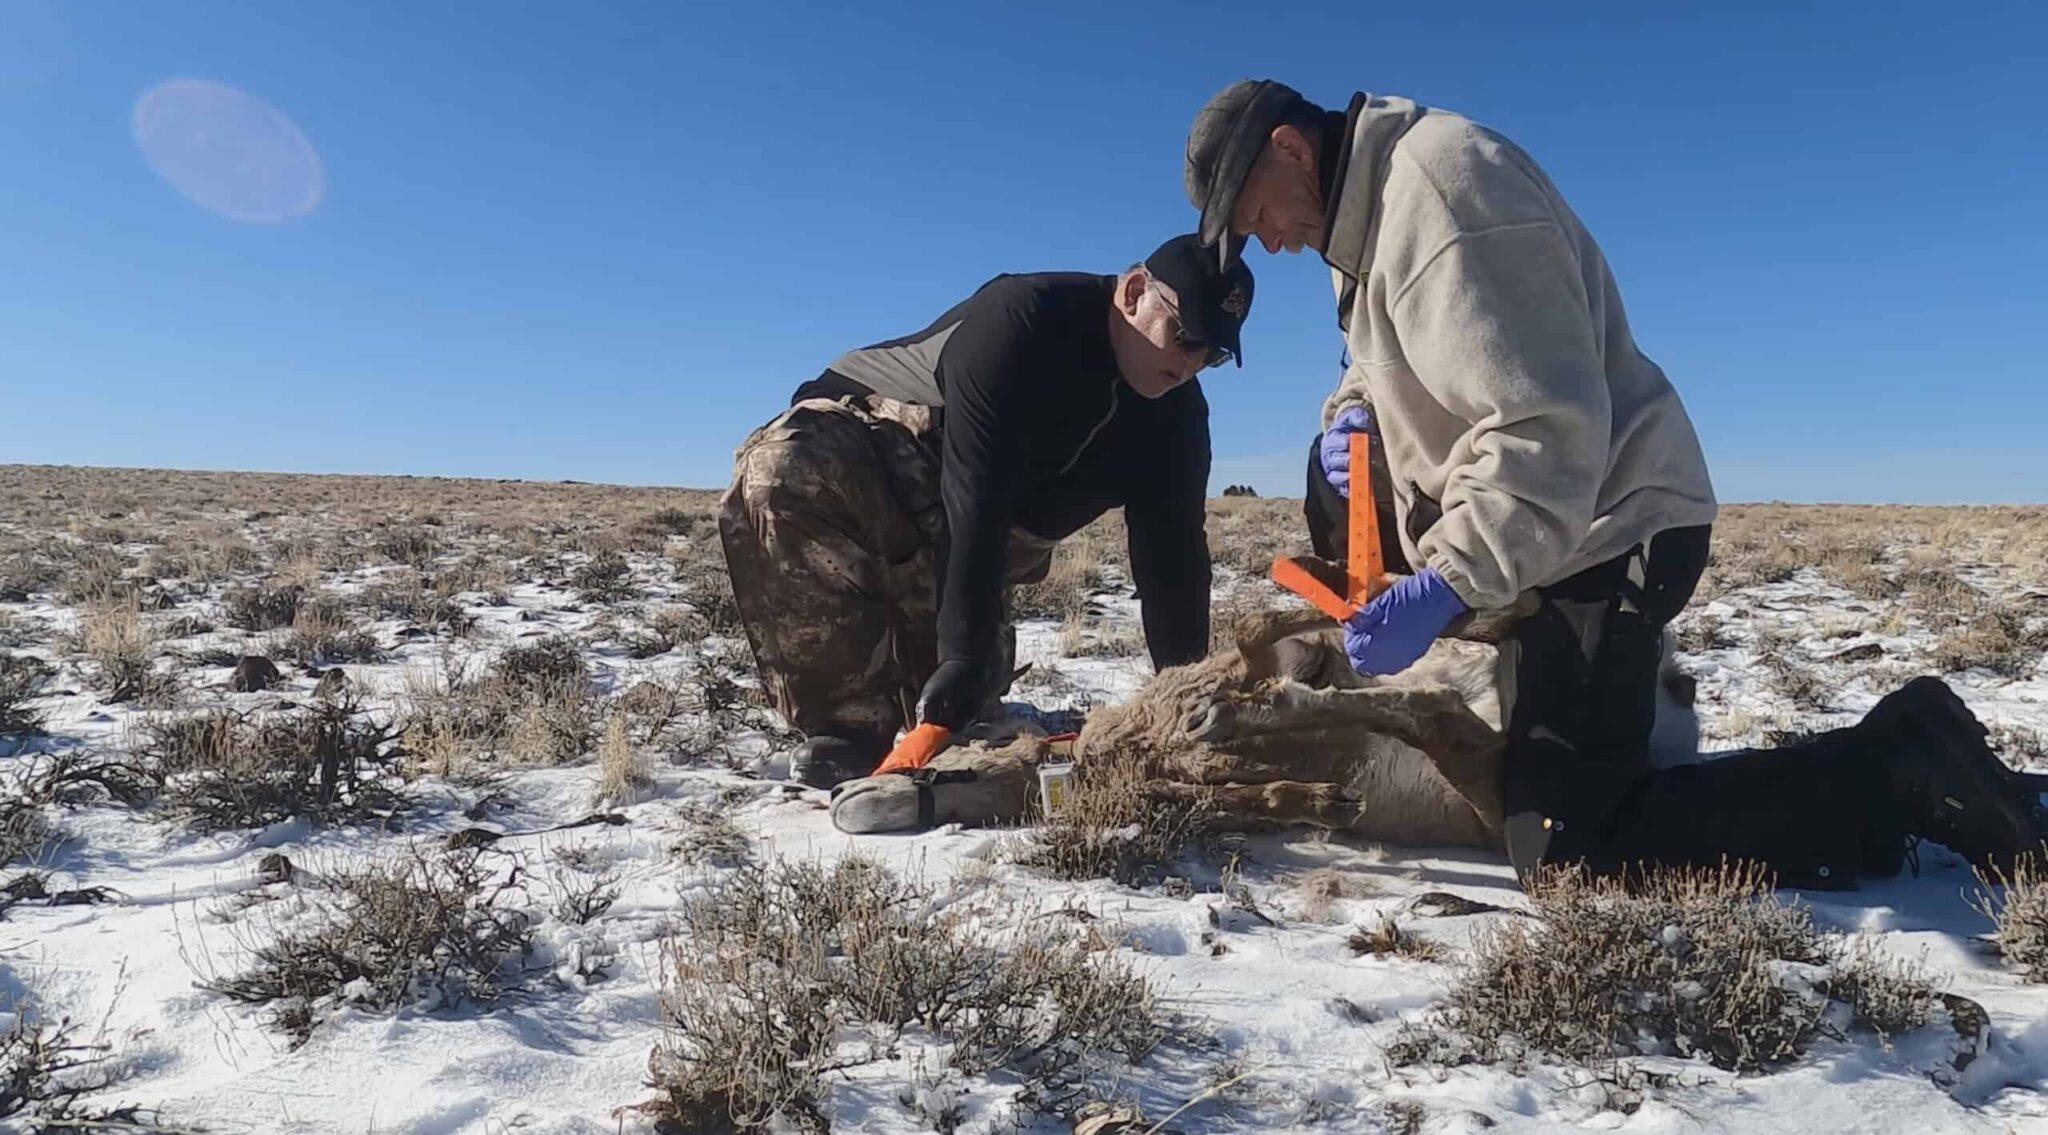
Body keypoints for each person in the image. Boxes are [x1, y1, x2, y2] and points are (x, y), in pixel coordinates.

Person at [1181, 79, 2044, 886]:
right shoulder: (1359, 229)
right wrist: (1351, 413)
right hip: (1541, 534)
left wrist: (1446, 583)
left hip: (1609, 532)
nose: (1267, 240)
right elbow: (1382, 357)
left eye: (1257, 212)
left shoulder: (1444, 195)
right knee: (1554, 771)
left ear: (1293, 150)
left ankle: (1898, 766)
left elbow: (1545, 429)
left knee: (1574, 852)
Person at [719, 234, 1255, 788]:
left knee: (960, 707)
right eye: (1185, 336)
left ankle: (934, 673)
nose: (1190, 364)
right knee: (780, 469)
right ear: (1135, 293)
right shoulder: (1022, 322)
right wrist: (962, 656)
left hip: (985, 530)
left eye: (1211, 355)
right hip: (885, 459)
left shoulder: (1178, 419)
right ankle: (849, 729)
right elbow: (973, 494)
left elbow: (1174, 563)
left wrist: (1186, 696)